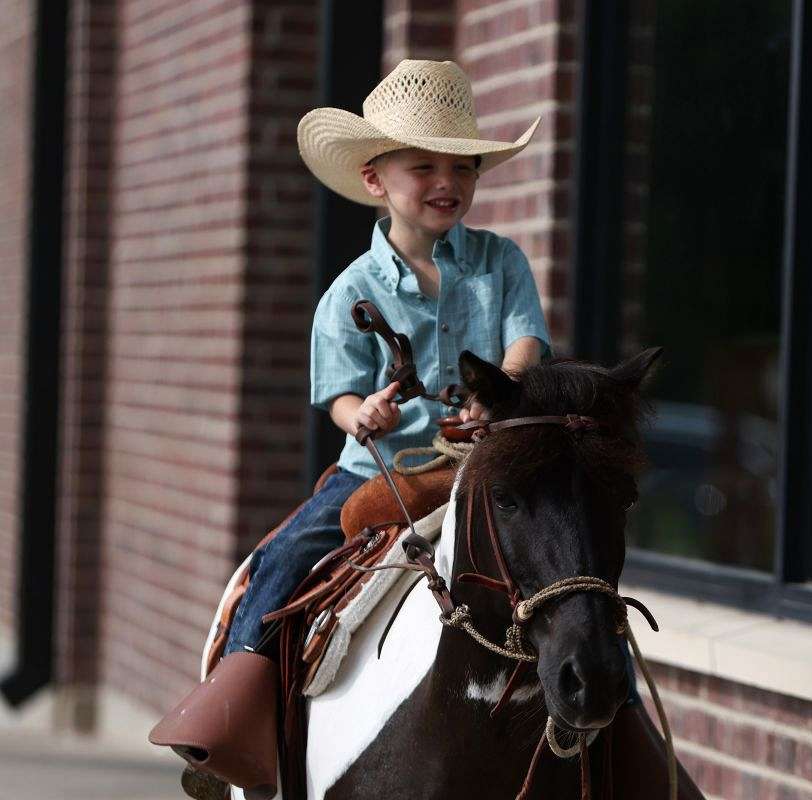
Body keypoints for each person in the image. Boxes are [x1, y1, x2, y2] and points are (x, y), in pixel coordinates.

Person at [150, 59, 550, 798]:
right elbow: (337, 395)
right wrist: (360, 414)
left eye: (462, 166)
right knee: (280, 562)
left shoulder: (502, 262)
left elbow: (525, 341)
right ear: (375, 180)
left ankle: (594, 703)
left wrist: (502, 390)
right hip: (381, 469)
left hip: (479, 465)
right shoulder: (351, 292)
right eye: (423, 165)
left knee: (566, 555)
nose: (447, 181)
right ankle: (230, 725)